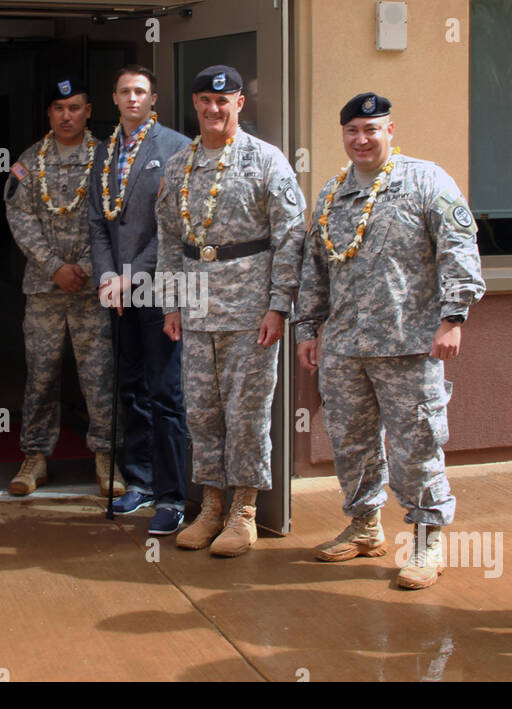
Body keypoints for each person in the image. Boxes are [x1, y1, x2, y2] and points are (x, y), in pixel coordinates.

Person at [294, 92, 485, 588]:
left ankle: (427, 543)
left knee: (416, 447)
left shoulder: (425, 181)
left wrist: (454, 318)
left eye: (371, 130)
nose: (361, 140)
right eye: (353, 131)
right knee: (351, 444)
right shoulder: (333, 194)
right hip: (344, 346)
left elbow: (459, 251)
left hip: (408, 345)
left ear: (390, 131)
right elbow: (316, 268)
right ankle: (363, 526)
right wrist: (309, 329)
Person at [156, 64, 306, 557]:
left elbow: (290, 238)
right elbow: (169, 240)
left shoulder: (267, 161)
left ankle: (244, 511)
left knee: (246, 413)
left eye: (224, 101)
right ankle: (211, 506)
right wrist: (172, 304)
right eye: (205, 100)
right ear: (195, 104)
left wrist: (279, 306)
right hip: (197, 308)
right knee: (201, 412)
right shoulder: (179, 165)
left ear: (240, 103)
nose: (214, 109)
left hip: (250, 309)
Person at [5, 76, 121, 497]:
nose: (67, 115)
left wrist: (87, 268)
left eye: (75, 107)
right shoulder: (28, 161)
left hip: (93, 290)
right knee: (41, 374)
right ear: (49, 113)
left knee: (100, 375)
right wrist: (55, 267)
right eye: (59, 108)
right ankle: (34, 457)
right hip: (44, 289)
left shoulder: (108, 159)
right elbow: (20, 218)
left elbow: (118, 219)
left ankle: (106, 457)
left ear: (89, 111)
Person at [89, 65, 192, 535]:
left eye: (141, 92)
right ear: (115, 97)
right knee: (129, 387)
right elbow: (97, 221)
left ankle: (173, 497)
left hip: (161, 286)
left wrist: (130, 277)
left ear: (154, 99)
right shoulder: (106, 150)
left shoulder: (173, 147)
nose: (133, 99)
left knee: (166, 392)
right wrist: (108, 275)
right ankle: (140, 480)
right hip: (119, 288)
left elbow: (172, 226)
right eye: (125, 91)